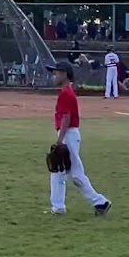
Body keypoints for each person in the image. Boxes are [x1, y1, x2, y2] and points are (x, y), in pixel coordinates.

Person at [47, 60, 111, 217]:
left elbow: (66, 117)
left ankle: (96, 202)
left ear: (64, 74)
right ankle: (98, 203)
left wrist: (60, 140)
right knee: (67, 173)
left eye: (56, 73)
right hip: (69, 134)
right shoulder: (67, 92)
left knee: (63, 171)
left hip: (68, 134)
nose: (54, 76)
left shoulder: (66, 93)